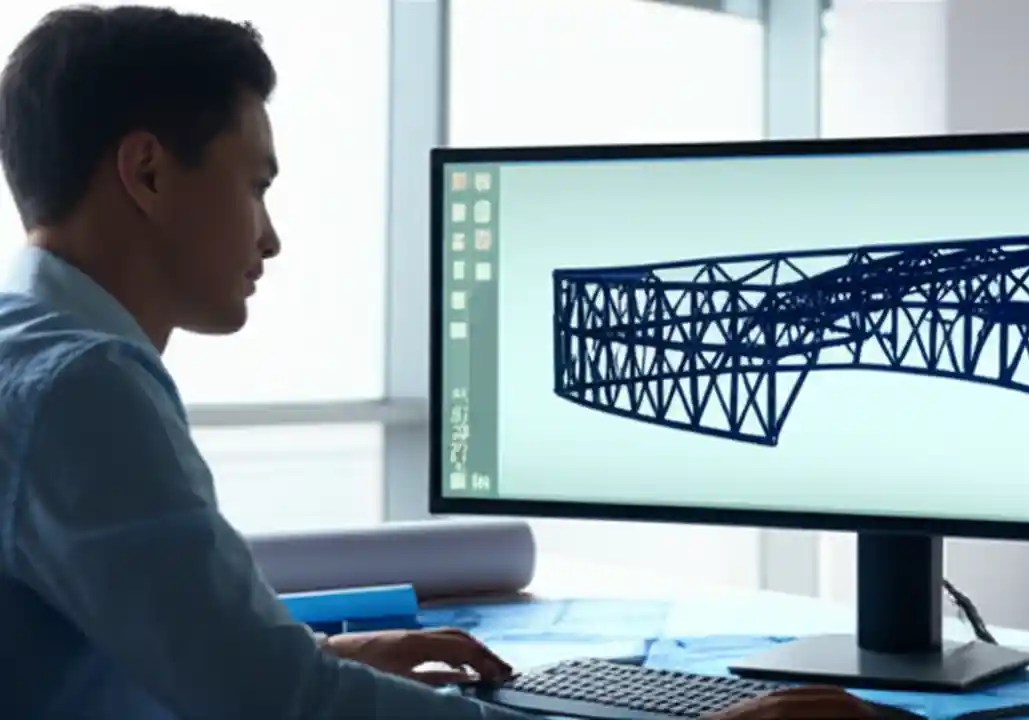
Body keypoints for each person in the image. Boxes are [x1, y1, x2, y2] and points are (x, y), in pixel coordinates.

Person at [0, 5, 876, 719]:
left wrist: (322, 651)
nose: (271, 236)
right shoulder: (84, 389)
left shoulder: (30, 357)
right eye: (256, 184)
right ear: (147, 173)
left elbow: (161, 640)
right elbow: (281, 708)